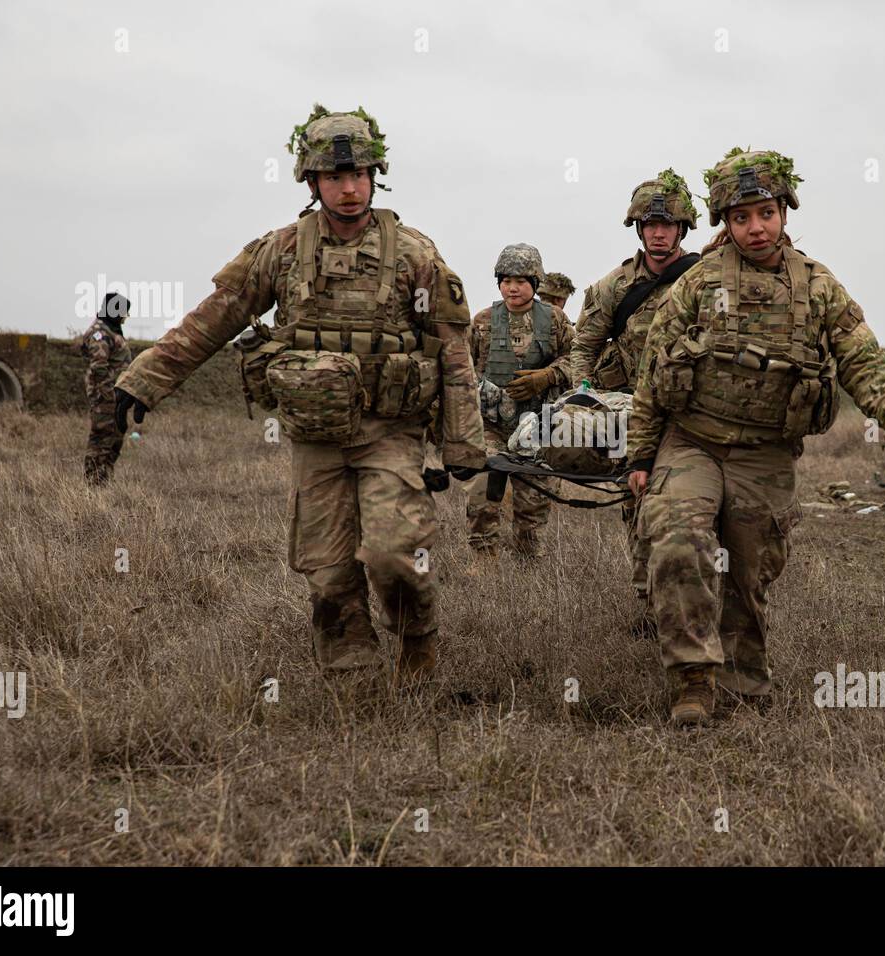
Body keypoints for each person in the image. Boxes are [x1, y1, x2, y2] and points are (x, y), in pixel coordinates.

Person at [113, 104, 486, 681]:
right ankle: (352, 679)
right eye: (335, 177)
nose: (349, 189)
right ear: (312, 182)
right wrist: (147, 377)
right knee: (328, 567)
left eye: (359, 175)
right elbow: (217, 317)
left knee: (393, 553)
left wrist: (463, 444)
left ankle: (417, 640)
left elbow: (453, 350)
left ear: (375, 177)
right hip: (316, 435)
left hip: (390, 431)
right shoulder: (284, 250)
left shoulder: (414, 254)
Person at [625, 148, 885, 726]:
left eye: (764, 213)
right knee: (677, 540)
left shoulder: (817, 285)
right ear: (724, 223)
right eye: (740, 218)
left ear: (785, 211)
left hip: (764, 452)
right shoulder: (697, 283)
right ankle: (692, 681)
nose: (755, 228)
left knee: (747, 571)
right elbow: (651, 375)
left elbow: (858, 354)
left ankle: (741, 685)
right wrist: (641, 455)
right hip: (692, 441)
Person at [565, 170, 702, 629]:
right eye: (649, 225)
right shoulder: (615, 287)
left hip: (691, 416)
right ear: (638, 229)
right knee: (639, 508)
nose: (658, 233)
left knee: (690, 514)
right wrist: (586, 399)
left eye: (667, 225)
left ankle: (694, 604)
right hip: (632, 414)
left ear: (682, 229)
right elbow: (582, 347)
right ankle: (650, 605)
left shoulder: (702, 280)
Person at [465, 243, 575, 556]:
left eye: (521, 281)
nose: (512, 288)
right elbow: (463, 367)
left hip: (537, 427)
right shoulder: (483, 321)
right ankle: (483, 567)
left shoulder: (555, 320)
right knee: (482, 498)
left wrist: (548, 376)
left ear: (535, 283)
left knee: (532, 508)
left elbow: (578, 358)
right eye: (505, 280)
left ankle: (528, 572)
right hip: (491, 428)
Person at [81, 292, 133, 485]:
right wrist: (108, 396)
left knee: (116, 435)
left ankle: (104, 476)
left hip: (116, 394)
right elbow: (99, 368)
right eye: (123, 312)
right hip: (105, 395)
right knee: (102, 436)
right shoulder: (100, 333)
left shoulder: (112, 330)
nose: (125, 317)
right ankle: (94, 481)